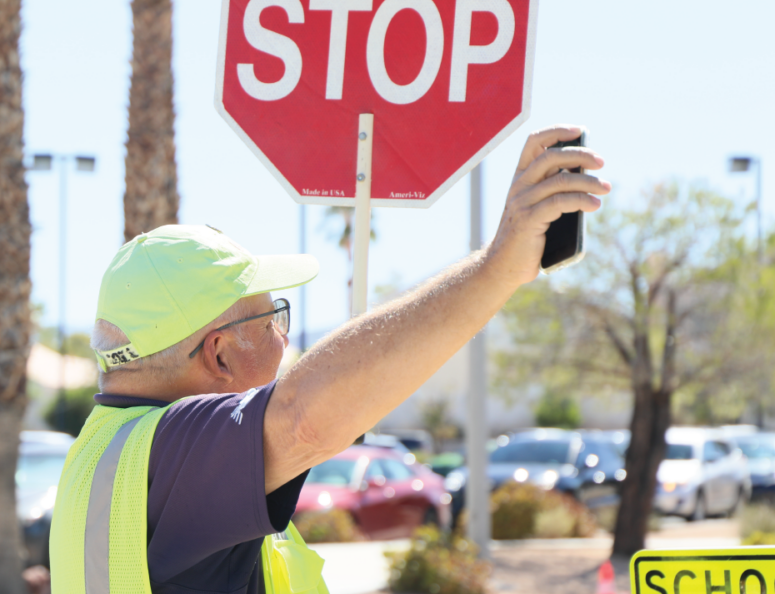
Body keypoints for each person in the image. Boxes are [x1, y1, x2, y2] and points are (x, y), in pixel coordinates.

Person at [49, 126, 610, 593]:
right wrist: (498, 269)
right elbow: (303, 418)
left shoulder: (103, 453)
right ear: (219, 354)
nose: (284, 342)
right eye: (270, 322)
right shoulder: (170, 454)